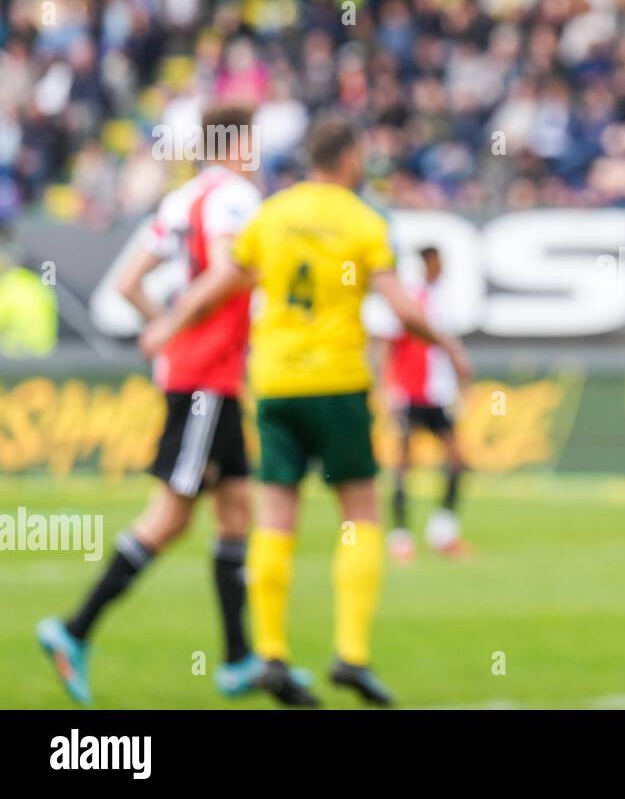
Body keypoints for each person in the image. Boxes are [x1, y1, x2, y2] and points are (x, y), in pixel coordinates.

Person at [141, 117, 470, 707]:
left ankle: (270, 652)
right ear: (347, 159)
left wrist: (168, 322)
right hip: (339, 383)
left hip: (275, 383)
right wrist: (449, 345)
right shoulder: (365, 222)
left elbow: (222, 284)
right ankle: (352, 654)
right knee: (359, 509)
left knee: (275, 512)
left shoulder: (272, 215)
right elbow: (402, 307)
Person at [37, 105, 266, 703]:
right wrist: (176, 328)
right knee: (170, 515)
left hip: (204, 377)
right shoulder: (235, 198)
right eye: (252, 141)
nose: (256, 153)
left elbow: (127, 280)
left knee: (236, 507)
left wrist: (164, 324)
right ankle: (73, 629)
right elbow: (229, 271)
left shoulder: (180, 201)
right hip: (206, 377)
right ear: (234, 143)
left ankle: (239, 659)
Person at [380, 246, 473, 563]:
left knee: (458, 461)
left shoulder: (443, 302)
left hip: (438, 396)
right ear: (426, 264)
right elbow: (389, 347)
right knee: (403, 465)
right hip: (409, 394)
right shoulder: (409, 301)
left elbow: (452, 354)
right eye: (437, 262)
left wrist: (460, 388)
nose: (440, 268)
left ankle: (442, 532)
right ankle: (401, 538)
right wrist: (387, 389)